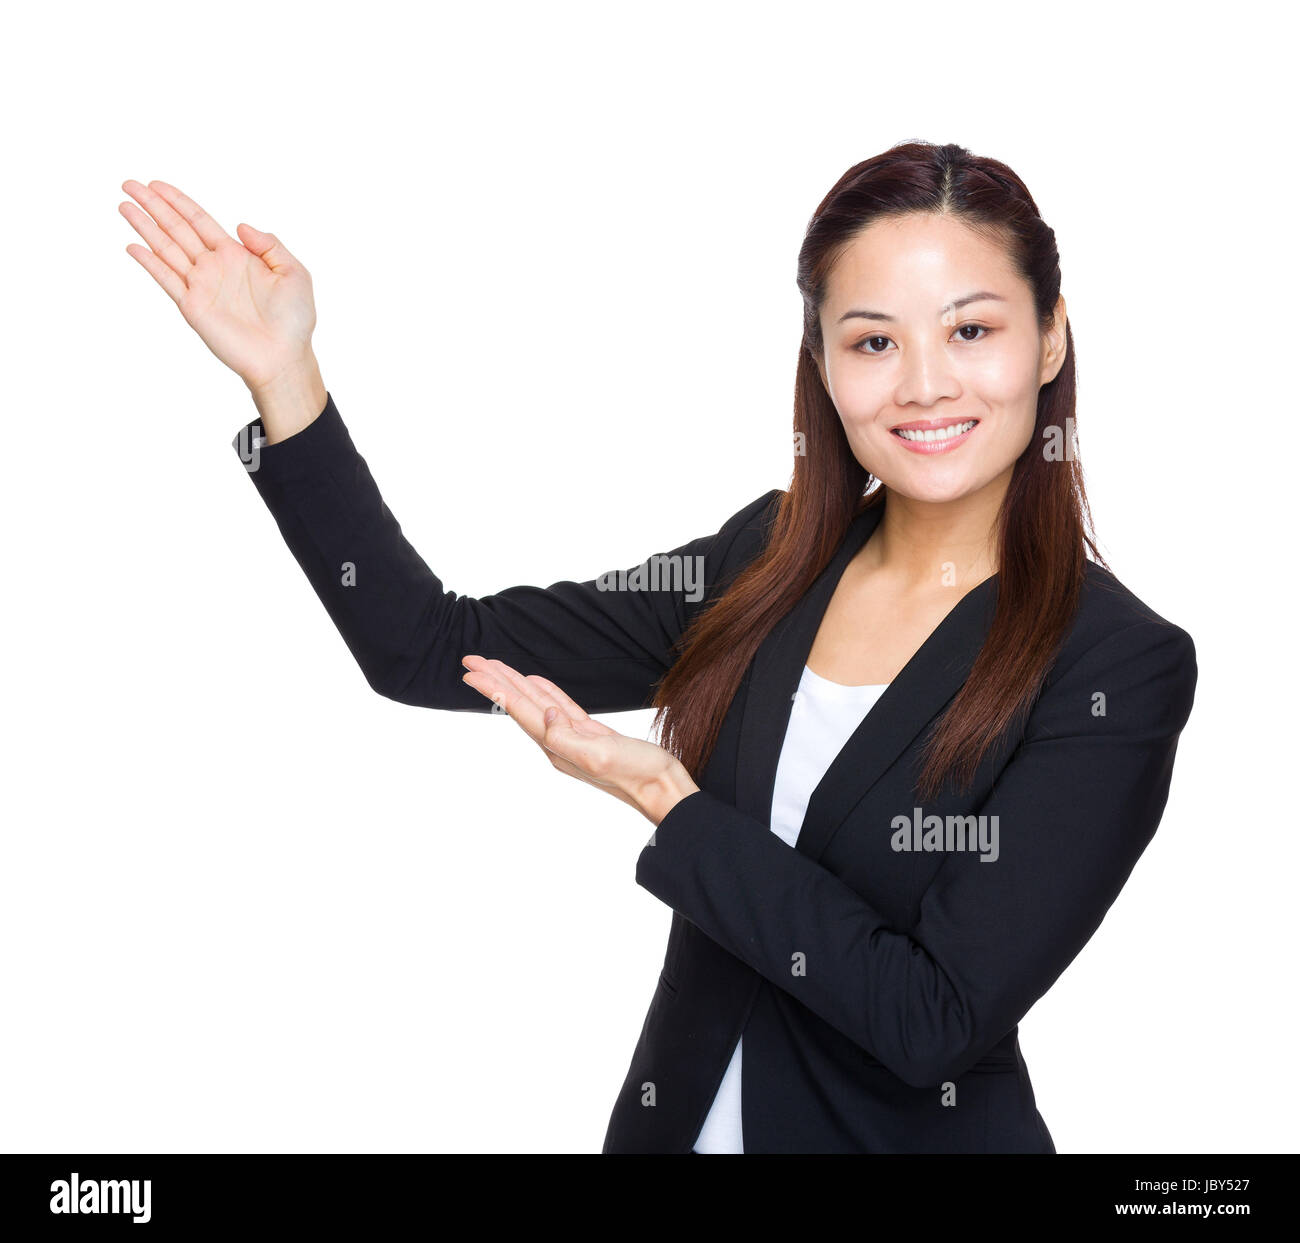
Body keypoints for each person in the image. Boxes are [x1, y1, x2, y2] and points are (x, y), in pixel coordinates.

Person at [119, 140, 1198, 1153]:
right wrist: (286, 379)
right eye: (873, 340)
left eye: (971, 330)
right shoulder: (766, 561)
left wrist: (675, 809)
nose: (922, 383)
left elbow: (929, 1018)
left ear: (1049, 335)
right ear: (820, 363)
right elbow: (427, 645)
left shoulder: (1112, 665)